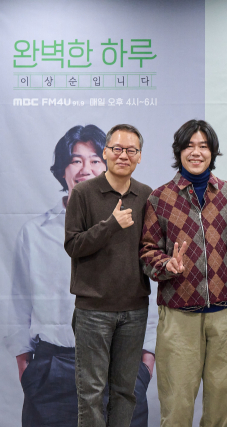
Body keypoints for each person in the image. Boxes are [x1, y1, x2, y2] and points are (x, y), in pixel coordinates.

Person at [3, 125, 155, 427]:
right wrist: (27, 369)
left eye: (93, 160)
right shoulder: (34, 232)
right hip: (53, 365)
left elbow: (146, 279)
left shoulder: (139, 202)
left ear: (106, 161)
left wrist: (147, 361)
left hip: (119, 351)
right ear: (63, 170)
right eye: (75, 160)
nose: (85, 168)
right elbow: (19, 301)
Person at [139, 119, 227, 427]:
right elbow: (147, 250)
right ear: (179, 152)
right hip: (179, 314)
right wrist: (166, 264)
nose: (196, 152)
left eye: (203, 146)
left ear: (213, 152)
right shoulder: (160, 198)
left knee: (220, 404)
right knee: (176, 405)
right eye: (189, 146)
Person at [64, 124, 152, 427]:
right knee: (91, 393)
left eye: (131, 150)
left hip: (135, 309)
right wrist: (111, 225)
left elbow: (151, 248)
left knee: (125, 392)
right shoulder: (83, 193)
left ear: (139, 156)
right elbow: (73, 245)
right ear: (105, 152)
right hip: (93, 310)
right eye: (117, 148)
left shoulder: (146, 195)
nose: (123, 155)